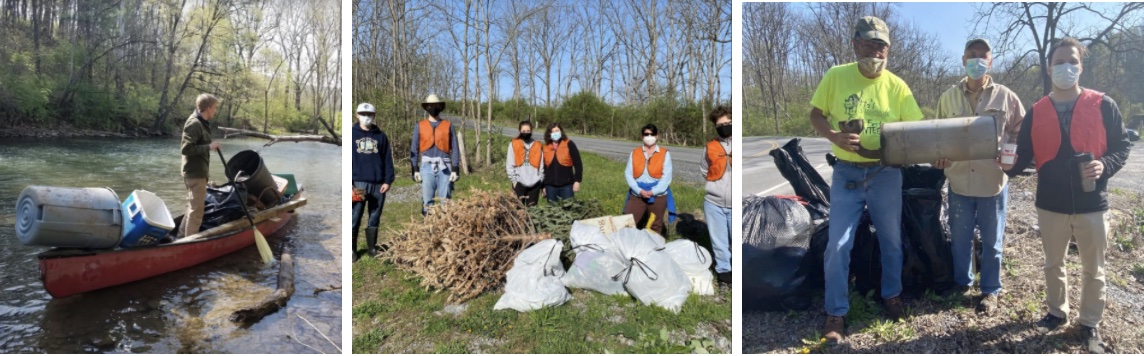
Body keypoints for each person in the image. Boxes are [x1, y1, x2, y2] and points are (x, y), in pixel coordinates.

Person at [1002, 37, 1131, 354]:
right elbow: (1024, 157)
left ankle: (1089, 324)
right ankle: (1057, 313)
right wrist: (1004, 165)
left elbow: (1122, 146)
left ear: (1081, 66)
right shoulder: (1036, 111)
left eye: (1071, 61)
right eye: (1059, 62)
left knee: (1094, 269)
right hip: (1051, 204)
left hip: (1093, 204)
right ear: (1049, 68)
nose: (1065, 67)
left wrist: (1105, 165)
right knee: (1052, 263)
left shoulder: (1103, 104)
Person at [808, 16, 924, 343]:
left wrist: (923, 150)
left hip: (886, 173)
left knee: (891, 239)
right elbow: (816, 113)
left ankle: (892, 296)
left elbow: (915, 129)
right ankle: (836, 313)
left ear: (888, 50)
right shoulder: (836, 76)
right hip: (846, 173)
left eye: (882, 45)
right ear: (856, 43)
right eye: (870, 43)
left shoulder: (897, 86)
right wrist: (834, 135)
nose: (876, 51)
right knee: (837, 245)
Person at [931, 37, 1026, 314]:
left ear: (990, 61)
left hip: (993, 181)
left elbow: (1022, 129)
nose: (977, 61)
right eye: (972, 55)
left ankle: (990, 290)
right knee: (960, 239)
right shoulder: (947, 97)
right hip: (959, 180)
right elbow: (937, 134)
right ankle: (962, 282)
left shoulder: (1006, 96)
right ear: (963, 60)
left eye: (983, 56)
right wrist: (939, 157)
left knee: (992, 241)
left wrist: (1011, 153)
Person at [351, 102, 395, 262]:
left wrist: (388, 180)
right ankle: (352, 250)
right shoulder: (351, 134)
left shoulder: (380, 136)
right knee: (355, 215)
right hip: (358, 183)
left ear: (374, 116)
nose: (366, 117)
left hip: (378, 185)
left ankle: (371, 248)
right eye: (363, 114)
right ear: (357, 115)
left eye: (369, 115)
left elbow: (387, 159)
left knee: (375, 215)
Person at [179, 94, 222, 238]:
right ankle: (189, 242)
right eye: (214, 108)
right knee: (197, 211)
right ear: (208, 108)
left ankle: (180, 237)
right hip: (195, 174)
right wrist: (209, 147)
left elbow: (198, 144)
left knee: (192, 207)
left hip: (197, 172)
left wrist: (209, 146)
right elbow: (186, 149)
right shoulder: (194, 124)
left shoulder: (201, 122)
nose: (215, 111)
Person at [410, 94, 459, 215]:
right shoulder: (419, 126)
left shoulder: (448, 126)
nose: (433, 107)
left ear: (440, 106)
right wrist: (415, 169)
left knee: (446, 200)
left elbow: (456, 148)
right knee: (427, 200)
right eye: (430, 105)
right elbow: (414, 148)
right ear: (426, 107)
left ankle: (446, 227)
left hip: (445, 167)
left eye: (435, 105)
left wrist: (455, 169)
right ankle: (428, 227)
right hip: (427, 166)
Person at [623, 124, 676, 236]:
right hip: (637, 194)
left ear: (657, 136)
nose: (649, 136)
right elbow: (628, 174)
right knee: (627, 223)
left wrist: (653, 192)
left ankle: (654, 248)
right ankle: (627, 247)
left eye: (652, 134)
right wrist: (639, 191)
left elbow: (666, 177)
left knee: (655, 226)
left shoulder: (665, 153)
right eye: (646, 134)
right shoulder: (635, 152)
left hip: (658, 195)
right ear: (642, 137)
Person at [701, 106, 733, 286]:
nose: (725, 127)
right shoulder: (710, 147)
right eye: (721, 125)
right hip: (714, 203)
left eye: (728, 123)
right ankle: (724, 276)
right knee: (719, 243)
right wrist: (716, 186)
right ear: (715, 126)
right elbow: (704, 169)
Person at [506, 120, 544, 206]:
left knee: (532, 211)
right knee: (518, 211)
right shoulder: (513, 144)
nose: (525, 133)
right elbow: (510, 165)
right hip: (519, 183)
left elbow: (541, 165)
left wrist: (540, 179)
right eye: (523, 131)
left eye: (528, 131)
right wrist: (514, 181)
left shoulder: (538, 145)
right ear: (519, 131)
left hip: (535, 184)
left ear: (531, 131)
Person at [541, 123, 582, 203]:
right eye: (552, 132)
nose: (555, 133)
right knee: (552, 211)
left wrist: (577, 181)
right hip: (550, 186)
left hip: (567, 186)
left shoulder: (569, 144)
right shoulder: (545, 147)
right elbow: (543, 168)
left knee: (568, 209)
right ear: (549, 134)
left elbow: (578, 164)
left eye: (557, 131)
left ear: (561, 131)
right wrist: (543, 186)